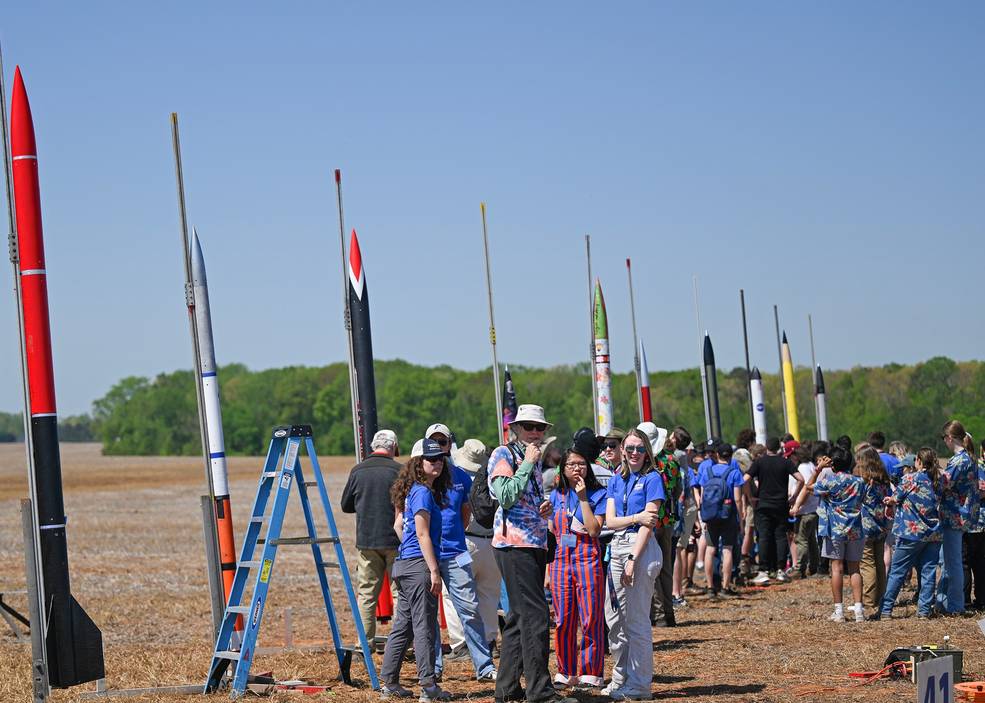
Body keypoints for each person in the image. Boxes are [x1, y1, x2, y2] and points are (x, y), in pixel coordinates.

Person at [487, 405, 575, 703]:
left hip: (532, 543)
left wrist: (542, 507)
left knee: (519, 618)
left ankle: (508, 689)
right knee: (536, 617)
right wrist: (526, 463)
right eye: (528, 427)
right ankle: (540, 692)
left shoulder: (533, 459)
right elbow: (506, 496)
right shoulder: (505, 454)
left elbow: (521, 498)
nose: (535, 433)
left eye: (539, 428)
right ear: (516, 429)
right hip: (514, 545)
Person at [424, 424, 496, 682]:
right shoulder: (419, 476)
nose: (438, 447)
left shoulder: (460, 476)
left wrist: (456, 532)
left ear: (449, 445)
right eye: (433, 441)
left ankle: (484, 666)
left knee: (469, 609)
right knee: (428, 614)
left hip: (455, 552)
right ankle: (433, 667)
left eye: (442, 442)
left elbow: (467, 512)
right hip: (426, 555)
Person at [380, 439, 451, 701]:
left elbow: (400, 527)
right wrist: (433, 570)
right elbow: (422, 534)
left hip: (405, 565)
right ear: (419, 464)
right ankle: (428, 687)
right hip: (419, 567)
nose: (438, 463)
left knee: (404, 626)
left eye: (441, 459)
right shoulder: (422, 492)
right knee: (425, 627)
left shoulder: (413, 491)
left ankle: (389, 683)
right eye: (432, 459)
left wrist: (409, 553)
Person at [603, 428, 663, 701]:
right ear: (623, 451)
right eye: (629, 448)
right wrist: (637, 516)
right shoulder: (617, 478)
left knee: (637, 621)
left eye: (640, 448)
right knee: (614, 619)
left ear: (647, 451)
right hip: (616, 546)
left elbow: (649, 526)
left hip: (639, 550)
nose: (634, 453)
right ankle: (621, 677)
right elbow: (610, 521)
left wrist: (632, 560)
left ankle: (639, 685)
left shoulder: (652, 479)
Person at [548, 446, 607, 689]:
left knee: (591, 616)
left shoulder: (598, 494)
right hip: (561, 561)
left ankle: (591, 672)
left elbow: (594, 530)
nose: (576, 468)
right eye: (571, 464)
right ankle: (566, 670)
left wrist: (583, 498)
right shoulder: (557, 494)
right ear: (563, 469)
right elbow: (552, 530)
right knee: (563, 619)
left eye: (581, 464)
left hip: (587, 559)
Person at [340, 429, 402, 647]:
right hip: (396, 541)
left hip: (367, 541)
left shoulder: (358, 471)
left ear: (372, 447)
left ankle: (364, 644)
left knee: (366, 595)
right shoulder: (400, 470)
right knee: (400, 594)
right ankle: (402, 644)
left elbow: (346, 506)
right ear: (393, 447)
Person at [802, 445, 865, 623]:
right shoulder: (859, 482)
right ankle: (859, 610)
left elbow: (808, 487)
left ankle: (839, 610)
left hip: (834, 529)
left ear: (833, 465)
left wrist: (819, 469)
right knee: (855, 569)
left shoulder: (829, 481)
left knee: (836, 568)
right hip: (855, 529)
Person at [452, 439, 502, 654]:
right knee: (489, 594)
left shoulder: (457, 479)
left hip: (466, 540)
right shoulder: (492, 477)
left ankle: (461, 642)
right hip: (491, 541)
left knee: (455, 593)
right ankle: (489, 639)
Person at [880, 450, 942, 618]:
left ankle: (885, 610)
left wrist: (889, 501)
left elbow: (896, 497)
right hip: (934, 533)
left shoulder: (910, 478)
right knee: (928, 572)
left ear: (919, 461)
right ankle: (924, 611)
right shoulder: (939, 479)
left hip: (910, 532)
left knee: (897, 571)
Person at [747, 437, 804, 585]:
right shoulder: (785, 462)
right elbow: (801, 479)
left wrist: (750, 496)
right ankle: (780, 569)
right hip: (780, 504)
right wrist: (794, 497)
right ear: (779, 448)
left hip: (763, 504)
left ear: (766, 447)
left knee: (764, 536)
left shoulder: (759, 462)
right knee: (781, 536)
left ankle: (764, 570)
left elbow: (745, 478)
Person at [937, 420, 980, 615]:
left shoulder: (958, 460)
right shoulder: (970, 458)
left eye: (944, 438)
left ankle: (955, 605)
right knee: (950, 561)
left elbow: (944, 484)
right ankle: (946, 602)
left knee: (953, 562)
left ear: (950, 438)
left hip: (953, 515)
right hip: (962, 515)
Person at [638, 422, 678, 627]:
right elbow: (678, 490)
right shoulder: (672, 461)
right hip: (668, 518)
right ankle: (669, 611)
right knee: (665, 568)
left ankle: (659, 613)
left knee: (650, 567)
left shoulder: (644, 463)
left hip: (650, 520)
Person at [694, 441, 744, 597]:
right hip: (728, 516)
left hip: (710, 516)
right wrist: (740, 519)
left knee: (710, 549)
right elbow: (737, 499)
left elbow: (702, 497)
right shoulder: (734, 473)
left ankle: (710, 587)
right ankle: (725, 587)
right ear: (730, 456)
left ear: (717, 455)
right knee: (727, 549)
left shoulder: (707, 471)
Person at [855, 446, 892, 618]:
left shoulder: (864, 482)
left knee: (867, 565)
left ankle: (869, 601)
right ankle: (882, 598)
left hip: (866, 527)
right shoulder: (884, 481)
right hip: (881, 526)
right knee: (879, 564)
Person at [791, 442, 822, 578]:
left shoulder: (802, 468)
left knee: (801, 539)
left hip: (805, 510)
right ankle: (814, 565)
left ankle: (799, 568)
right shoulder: (811, 466)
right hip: (814, 508)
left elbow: (804, 487)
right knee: (811, 540)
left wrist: (796, 504)